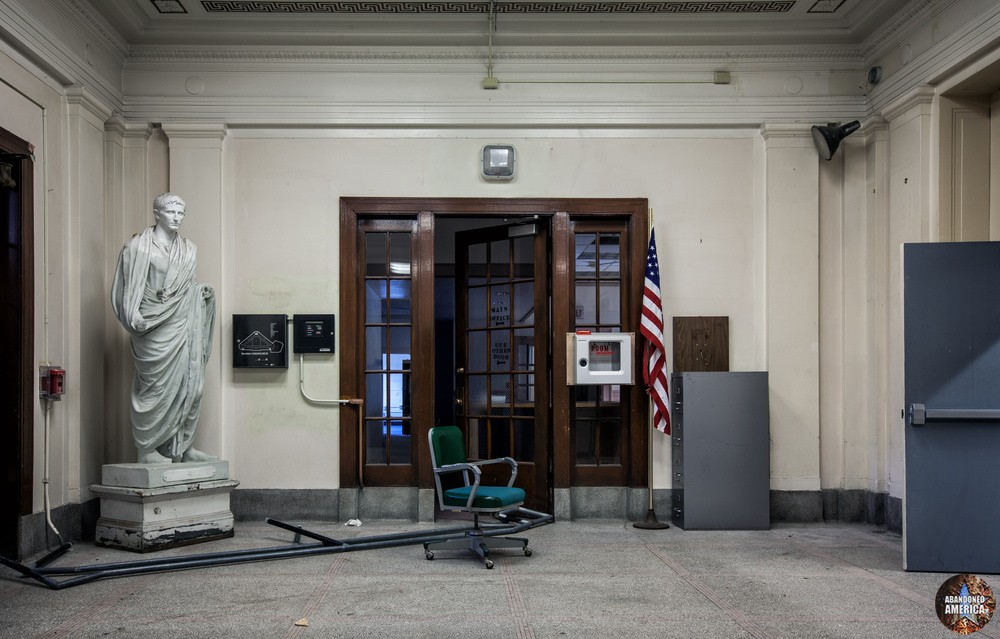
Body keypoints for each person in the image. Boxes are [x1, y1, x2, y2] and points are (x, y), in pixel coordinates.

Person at [111, 193, 217, 464]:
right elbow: (125, 289)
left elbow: (186, 286)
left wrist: (200, 293)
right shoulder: (137, 248)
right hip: (152, 327)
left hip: (182, 323)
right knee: (156, 388)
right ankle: (147, 450)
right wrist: (131, 314)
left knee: (192, 385)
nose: (177, 218)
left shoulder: (189, 248)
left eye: (181, 213)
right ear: (157, 213)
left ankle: (182, 446)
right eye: (171, 212)